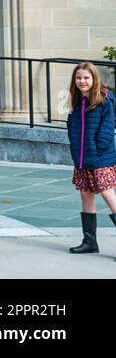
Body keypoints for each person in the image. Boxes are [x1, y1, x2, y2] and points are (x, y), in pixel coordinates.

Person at [66, 61, 116, 254]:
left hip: (100, 157)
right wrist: (75, 151)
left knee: (107, 193)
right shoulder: (75, 101)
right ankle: (90, 242)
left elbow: (106, 131)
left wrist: (97, 149)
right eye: (78, 77)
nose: (82, 81)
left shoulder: (104, 100)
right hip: (81, 158)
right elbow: (72, 128)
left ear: (94, 79)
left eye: (86, 77)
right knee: (85, 194)